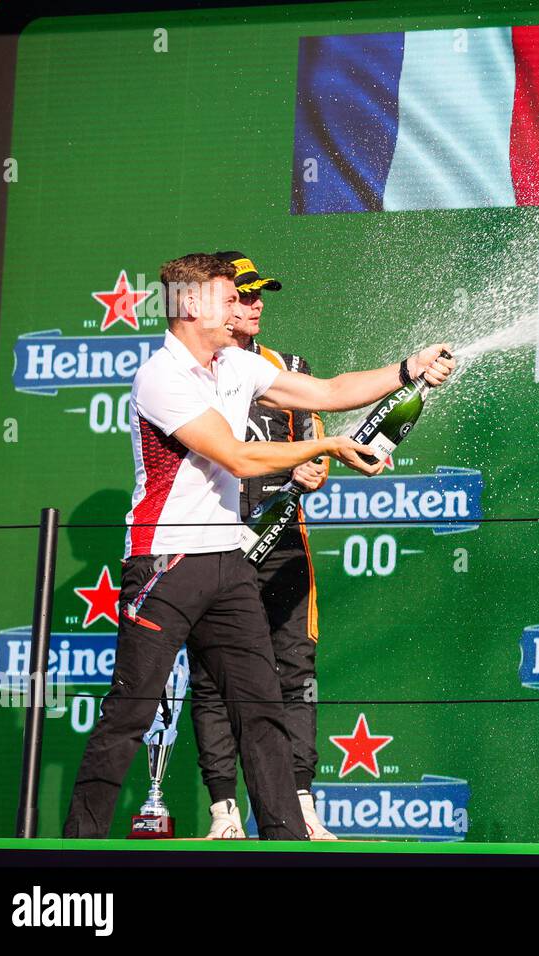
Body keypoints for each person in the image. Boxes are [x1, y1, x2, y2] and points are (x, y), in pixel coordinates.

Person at [63, 253, 455, 838]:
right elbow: (238, 455)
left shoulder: (235, 365)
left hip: (227, 565)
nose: (242, 307)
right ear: (192, 304)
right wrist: (329, 449)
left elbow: (327, 391)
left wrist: (407, 368)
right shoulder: (161, 376)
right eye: (228, 298)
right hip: (164, 563)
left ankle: (285, 841)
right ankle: (77, 849)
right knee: (130, 712)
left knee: (262, 710)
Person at [188, 251, 331, 839]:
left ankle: (299, 801)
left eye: (259, 294)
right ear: (218, 301)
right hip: (217, 536)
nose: (255, 304)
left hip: (282, 536)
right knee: (212, 672)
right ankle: (224, 808)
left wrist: (314, 469)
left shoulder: (287, 366)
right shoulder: (193, 369)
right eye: (243, 295)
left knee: (294, 668)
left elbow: (316, 439)